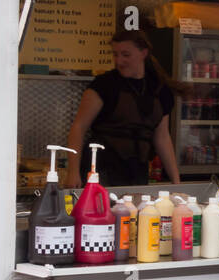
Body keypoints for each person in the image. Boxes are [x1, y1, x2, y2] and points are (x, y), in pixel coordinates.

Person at [65, 29, 183, 188]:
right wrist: (73, 172)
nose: (119, 61)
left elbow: (162, 137)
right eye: (115, 54)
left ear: (143, 53)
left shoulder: (160, 90)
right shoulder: (103, 85)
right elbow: (78, 128)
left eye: (126, 55)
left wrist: (176, 182)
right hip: (100, 171)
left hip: (137, 172)